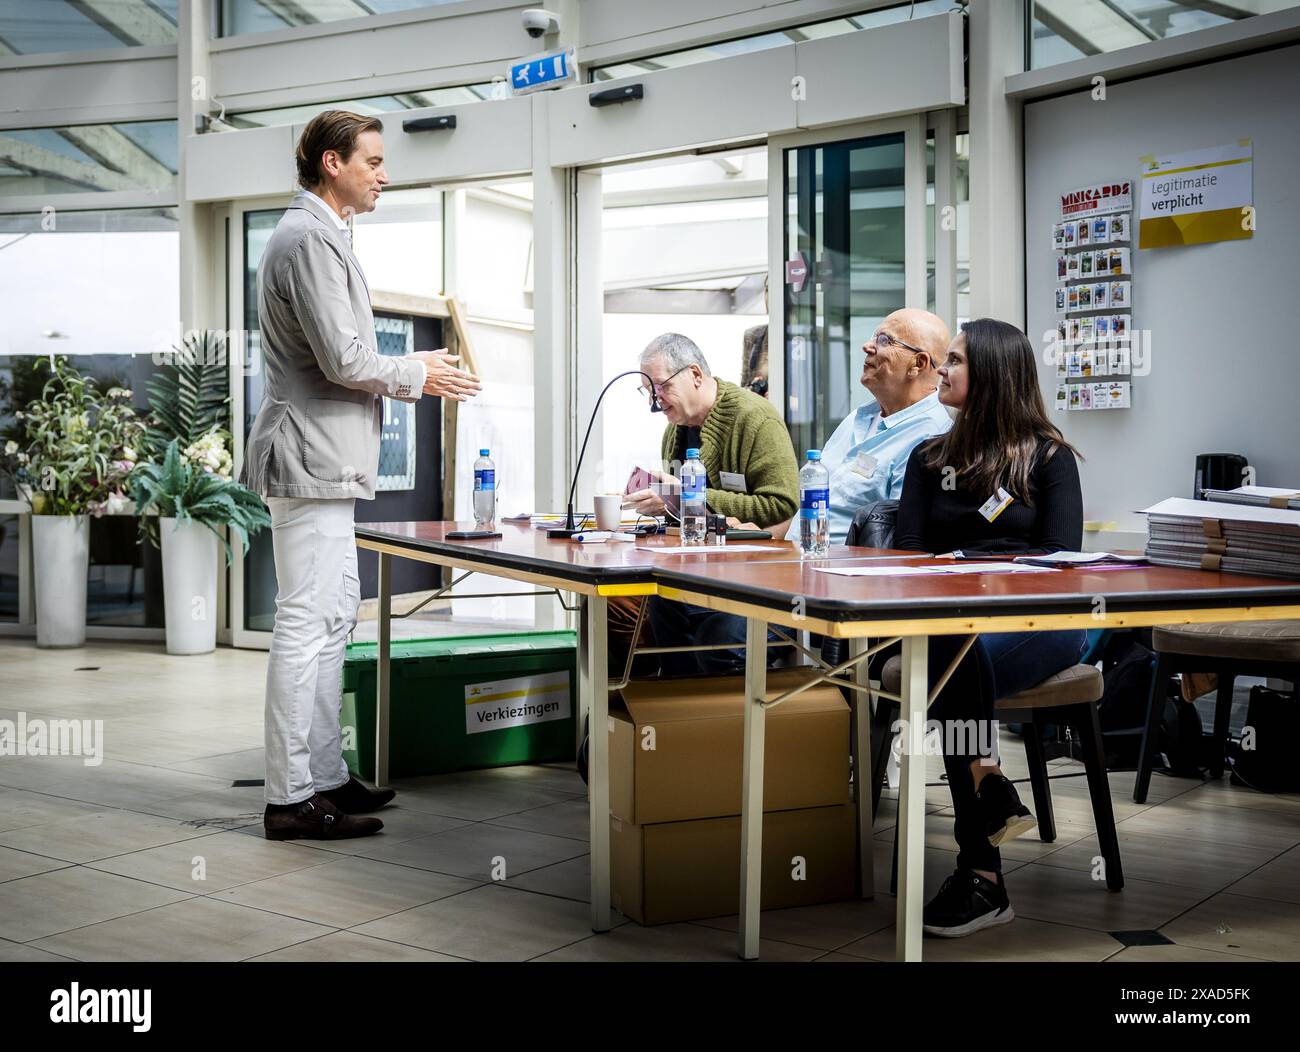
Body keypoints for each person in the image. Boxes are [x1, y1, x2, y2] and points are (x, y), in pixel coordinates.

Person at [242, 110, 480, 842]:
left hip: (328, 464)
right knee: (307, 625)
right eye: (371, 161)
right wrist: (420, 373)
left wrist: (416, 373)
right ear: (330, 164)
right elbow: (346, 360)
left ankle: (323, 777)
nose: (384, 173)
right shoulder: (308, 238)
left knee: (332, 621)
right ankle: (290, 798)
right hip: (309, 461)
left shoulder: (324, 235)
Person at [893, 317, 1086, 938]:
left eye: (954, 360)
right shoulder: (928, 460)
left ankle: (981, 874)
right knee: (953, 644)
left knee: (949, 658)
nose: (940, 370)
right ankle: (986, 806)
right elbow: (907, 558)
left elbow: (1061, 568)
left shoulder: (1051, 459)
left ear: (995, 375)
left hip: (1040, 624)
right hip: (953, 623)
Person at [625, 333, 799, 675]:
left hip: (756, 581)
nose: (655, 400)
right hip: (697, 576)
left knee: (719, 647)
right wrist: (664, 505)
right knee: (655, 613)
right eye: (648, 390)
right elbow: (689, 522)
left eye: (660, 387)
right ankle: (686, 721)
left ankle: (727, 725)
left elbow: (782, 502)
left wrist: (693, 496)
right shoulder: (673, 431)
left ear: (695, 375)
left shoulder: (754, 419)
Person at [789, 308, 954, 545]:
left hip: (846, 573)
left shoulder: (931, 436)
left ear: (918, 363)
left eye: (884, 340)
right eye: (873, 337)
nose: (867, 346)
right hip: (796, 559)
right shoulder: (860, 416)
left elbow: (902, 540)